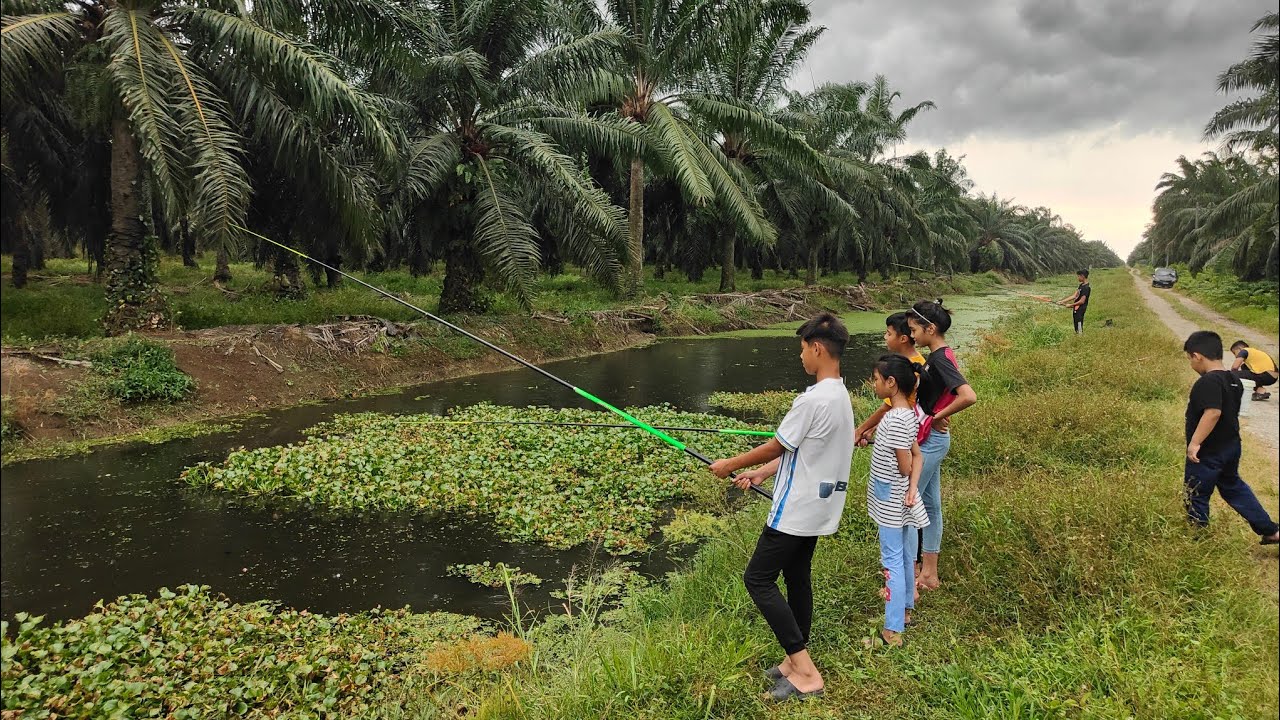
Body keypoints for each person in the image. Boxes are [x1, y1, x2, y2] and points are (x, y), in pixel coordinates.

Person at [709, 312, 855, 702]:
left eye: (803, 350)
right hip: (820, 507)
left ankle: (806, 671)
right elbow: (798, 451)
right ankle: (794, 662)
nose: (801, 357)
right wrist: (760, 473)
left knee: (757, 579)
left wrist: (730, 464)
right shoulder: (840, 395)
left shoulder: (811, 400)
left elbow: (778, 444)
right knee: (796, 577)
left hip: (795, 509)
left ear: (817, 348)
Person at [1182, 331, 1280, 545]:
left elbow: (1213, 412)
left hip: (1209, 450)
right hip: (1231, 447)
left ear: (1197, 356)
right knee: (1233, 488)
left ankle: (1196, 539)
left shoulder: (1207, 382)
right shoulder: (1233, 379)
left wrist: (1195, 443)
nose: (1191, 364)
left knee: (1195, 491)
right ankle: (1271, 531)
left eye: (1190, 359)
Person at [906, 299, 978, 590]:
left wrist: (938, 415)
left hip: (932, 441)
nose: (912, 336)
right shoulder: (939, 355)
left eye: (914, 330)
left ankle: (909, 575)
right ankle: (929, 574)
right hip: (932, 439)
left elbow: (968, 395)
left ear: (930, 328)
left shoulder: (940, 359)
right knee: (931, 506)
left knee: (908, 506)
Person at [863, 354, 930, 649]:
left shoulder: (894, 420)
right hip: (900, 496)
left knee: (891, 561)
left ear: (891, 383)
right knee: (903, 555)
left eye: (876, 380)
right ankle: (904, 612)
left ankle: (891, 630)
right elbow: (918, 455)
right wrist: (913, 487)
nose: (873, 384)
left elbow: (906, 463)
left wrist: (909, 481)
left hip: (890, 497)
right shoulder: (908, 414)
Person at [854, 313, 926, 447]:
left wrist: (859, 430)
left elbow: (886, 407)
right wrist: (871, 428)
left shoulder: (907, 367)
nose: (885, 337)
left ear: (903, 338)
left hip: (910, 432)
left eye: (889, 333)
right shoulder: (915, 361)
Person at [1057, 269, 1091, 334]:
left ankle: (1080, 338)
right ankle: (1077, 336)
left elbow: (1082, 301)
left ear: (1082, 276)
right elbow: (1074, 296)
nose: (1078, 278)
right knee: (1076, 325)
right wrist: (1062, 301)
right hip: (1076, 308)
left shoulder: (1086, 288)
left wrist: (1070, 305)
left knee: (1079, 325)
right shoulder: (1081, 285)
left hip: (1080, 309)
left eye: (1078, 276)